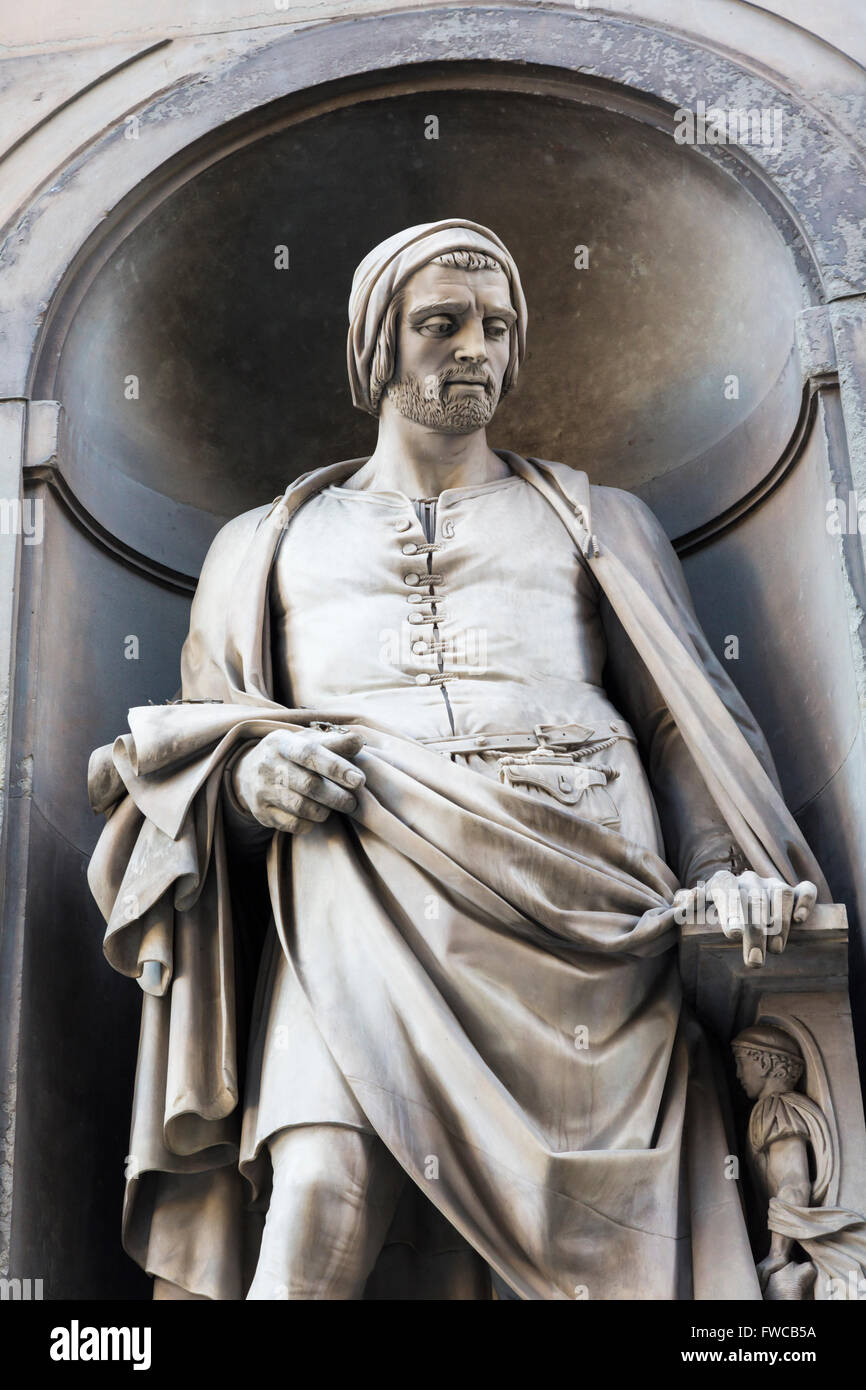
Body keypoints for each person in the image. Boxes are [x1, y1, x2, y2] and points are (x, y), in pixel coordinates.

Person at [88, 219, 827, 1300]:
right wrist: (249, 786)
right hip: (356, 881)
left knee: (620, 1260)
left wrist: (719, 869)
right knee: (316, 1189)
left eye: (493, 325)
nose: (472, 347)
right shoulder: (263, 542)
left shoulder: (594, 520)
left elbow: (681, 719)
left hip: (585, 908)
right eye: (439, 324)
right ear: (375, 349)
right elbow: (201, 747)